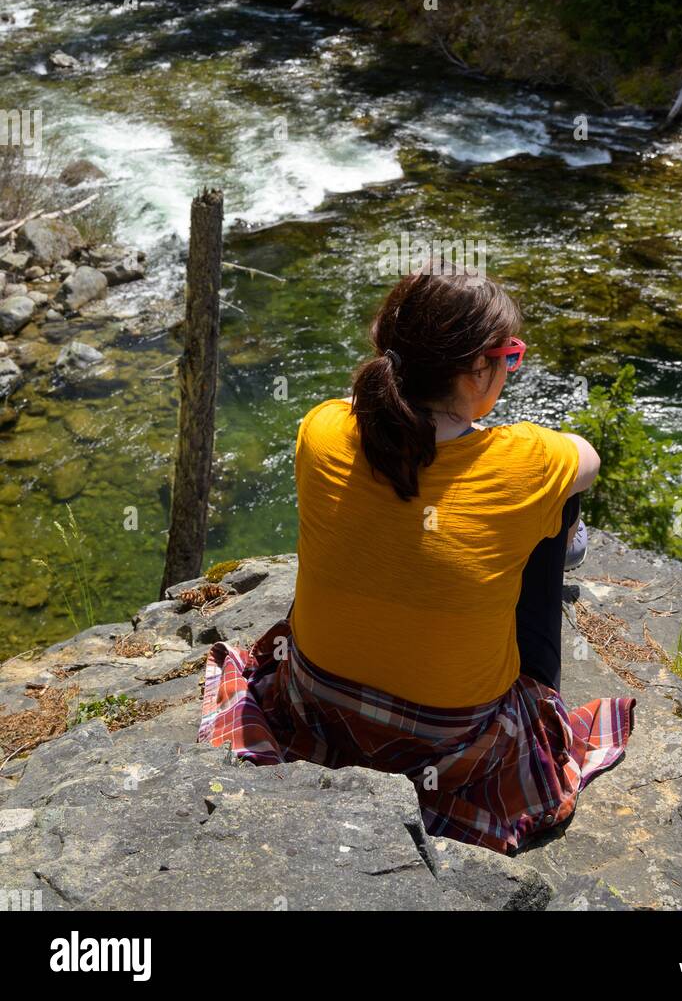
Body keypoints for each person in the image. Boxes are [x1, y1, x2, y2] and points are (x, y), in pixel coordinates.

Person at [198, 270, 636, 857]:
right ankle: (540, 695)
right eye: (510, 357)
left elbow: (378, 426)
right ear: (477, 368)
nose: (511, 369)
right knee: (559, 512)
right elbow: (588, 459)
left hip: (316, 705)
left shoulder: (322, 430)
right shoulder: (529, 461)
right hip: (451, 740)